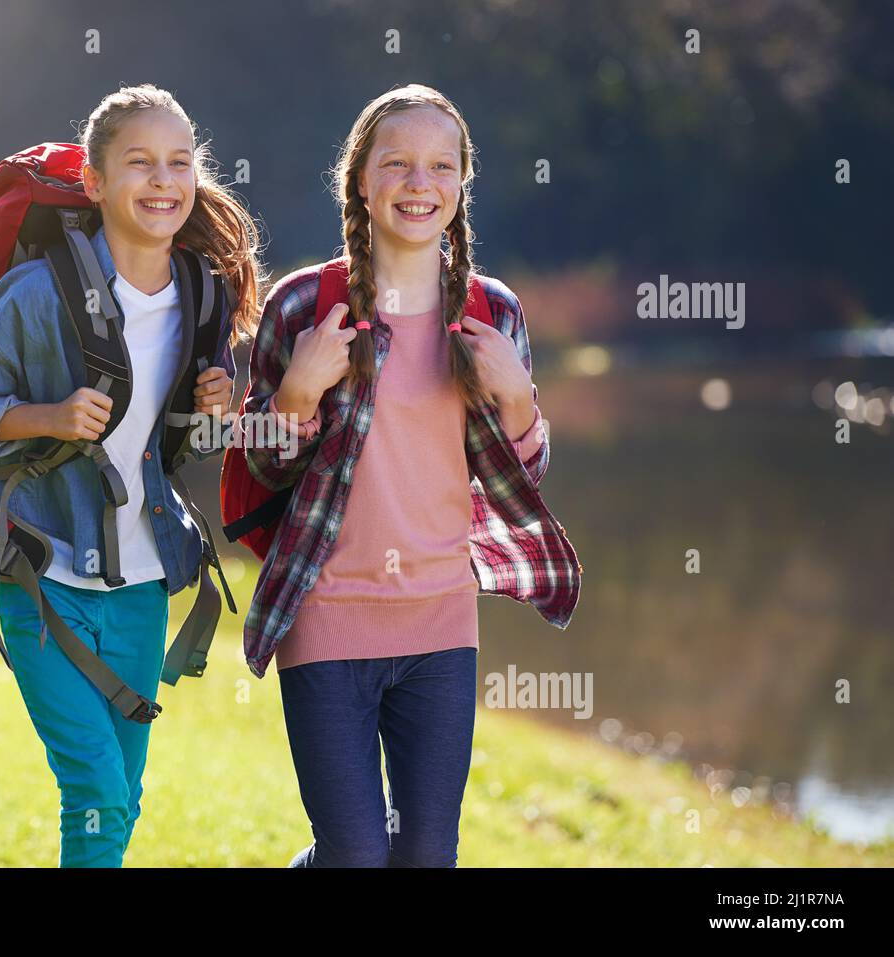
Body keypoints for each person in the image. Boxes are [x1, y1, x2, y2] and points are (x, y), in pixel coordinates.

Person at [238, 83, 581, 867]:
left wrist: (522, 399)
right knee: (354, 855)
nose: (418, 183)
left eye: (440, 166)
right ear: (360, 179)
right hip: (326, 616)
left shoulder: (495, 314)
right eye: (396, 163)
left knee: (428, 855)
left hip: (441, 622)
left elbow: (522, 475)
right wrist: (296, 393)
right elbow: (259, 458)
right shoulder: (303, 305)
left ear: (462, 183)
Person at [0, 84, 262, 867]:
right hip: (41, 575)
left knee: (125, 794)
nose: (163, 180)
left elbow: (182, 440)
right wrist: (46, 417)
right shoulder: (36, 292)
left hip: (145, 586)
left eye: (180, 162)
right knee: (95, 786)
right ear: (94, 182)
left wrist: (221, 404)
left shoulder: (202, 293)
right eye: (140, 163)